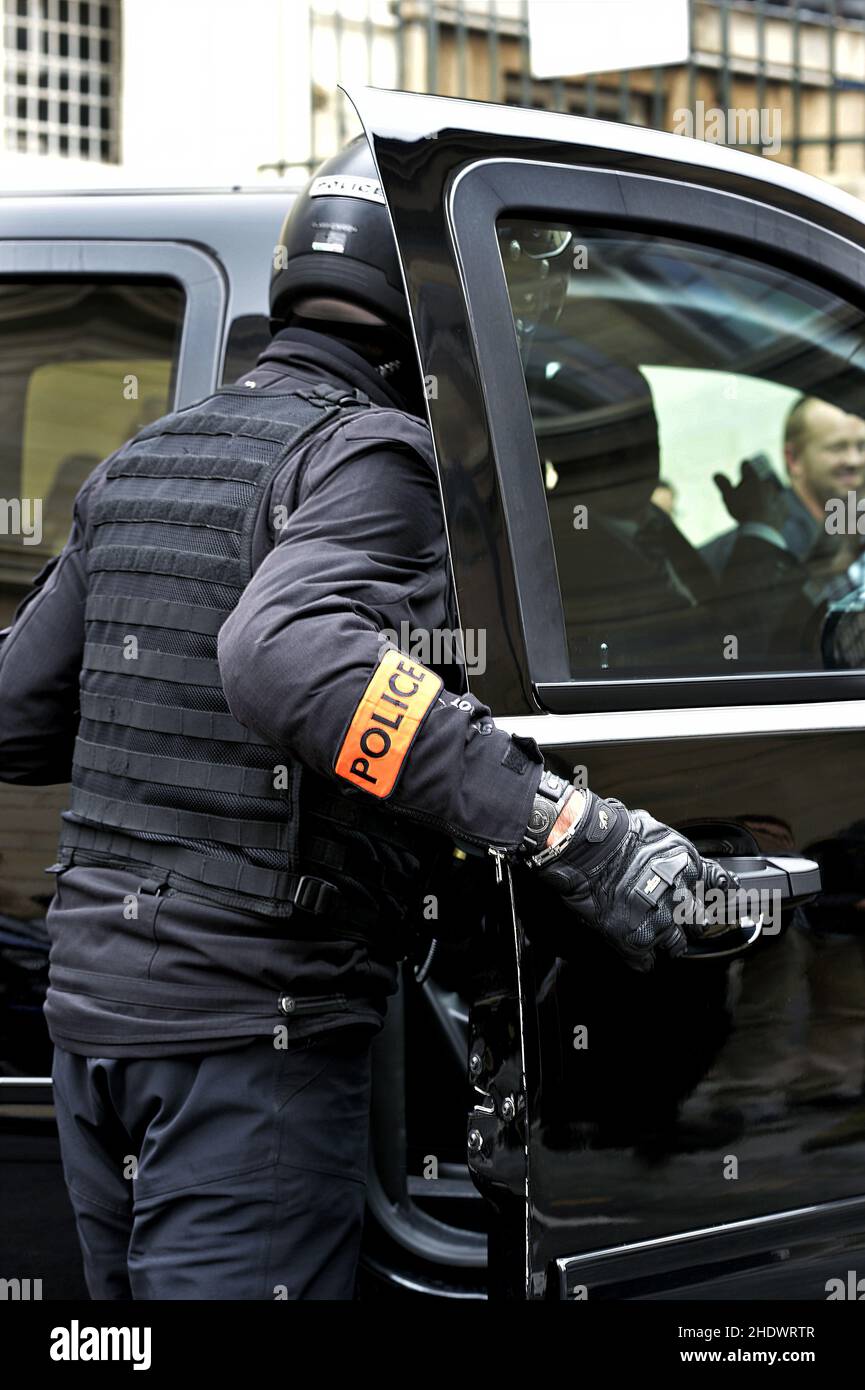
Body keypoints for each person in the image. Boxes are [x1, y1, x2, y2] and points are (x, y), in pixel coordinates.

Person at [0, 136, 733, 1301]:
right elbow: (287, 656)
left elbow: (16, 716)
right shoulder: (381, 455)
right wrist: (565, 826)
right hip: (246, 1037)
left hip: (95, 1030)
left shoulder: (143, 457)